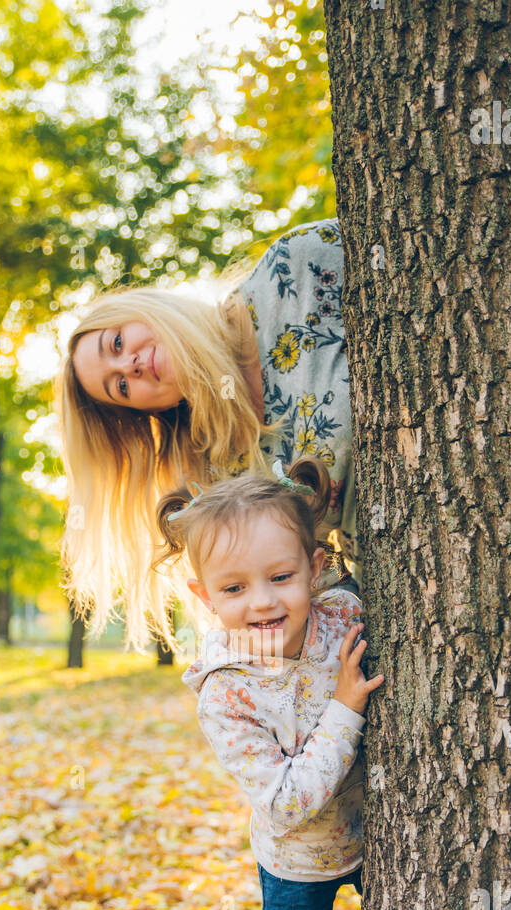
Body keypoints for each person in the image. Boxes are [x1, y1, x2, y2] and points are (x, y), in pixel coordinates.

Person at [153, 456, 385, 910]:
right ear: (202, 595)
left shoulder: (342, 613)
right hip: (298, 861)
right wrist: (347, 707)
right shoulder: (226, 695)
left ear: (316, 567)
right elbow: (286, 801)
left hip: (383, 842)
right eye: (233, 587)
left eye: (280, 577)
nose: (262, 601)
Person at [55, 218, 361, 657]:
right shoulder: (219, 479)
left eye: (118, 342)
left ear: (146, 309)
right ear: (145, 411)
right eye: (120, 386)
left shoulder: (294, 270)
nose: (132, 366)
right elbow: (296, 593)